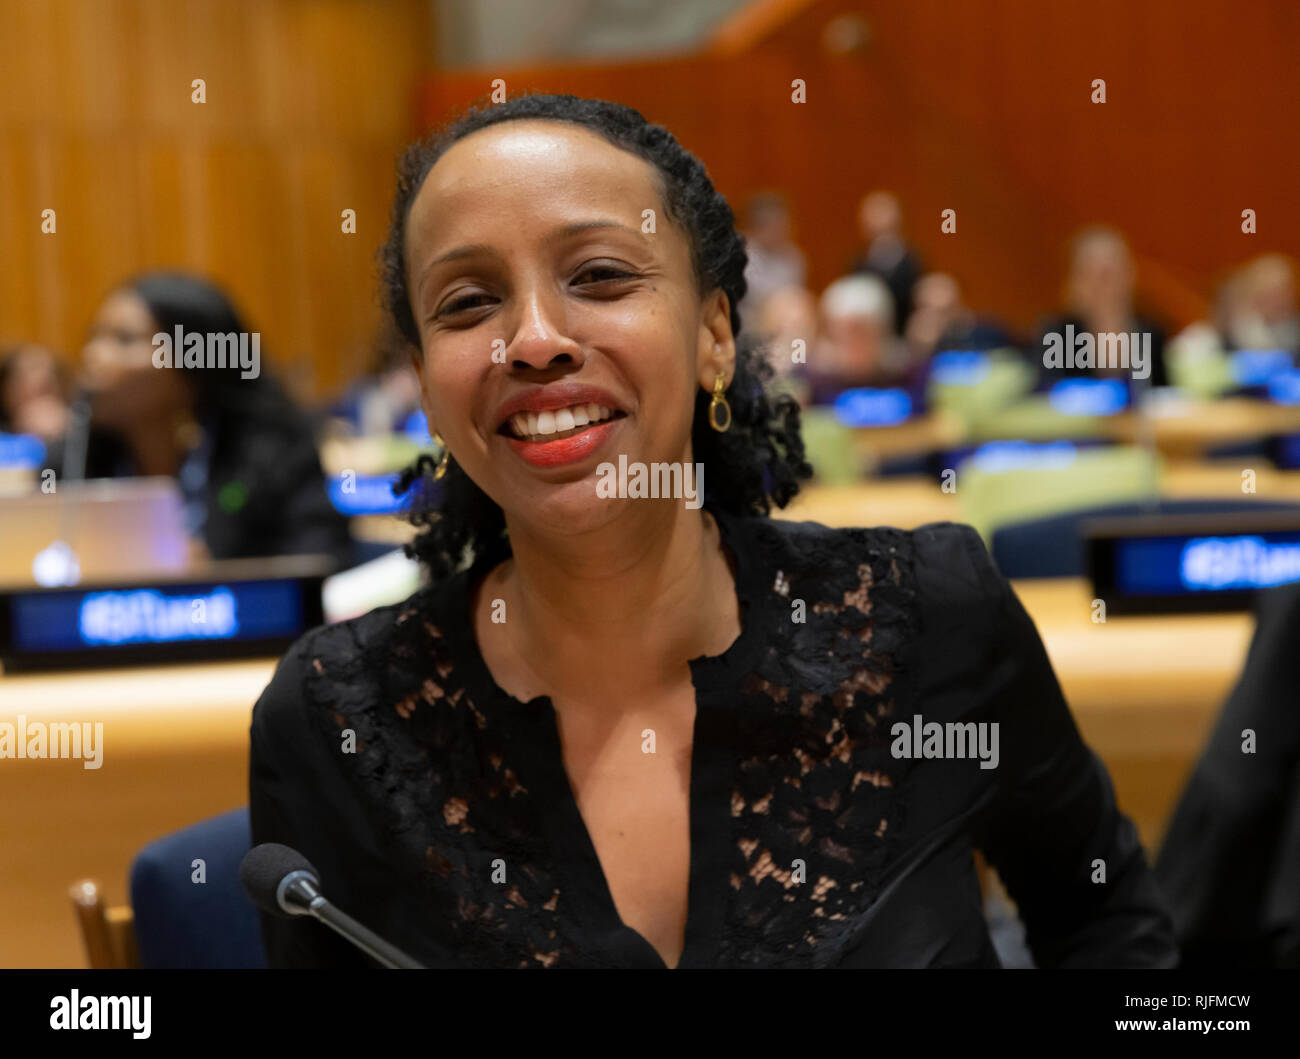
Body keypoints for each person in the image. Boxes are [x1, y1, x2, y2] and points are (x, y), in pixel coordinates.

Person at [249, 93, 1177, 969]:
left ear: (715, 336)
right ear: (424, 380)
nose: (532, 339)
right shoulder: (334, 720)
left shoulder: (934, 614)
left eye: (600, 275)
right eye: (466, 302)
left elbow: (1110, 925)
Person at [66, 271, 351, 567]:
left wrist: (214, 577)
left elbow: (322, 565)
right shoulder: (71, 462)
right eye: (94, 336)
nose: (93, 355)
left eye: (124, 340)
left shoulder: (275, 451)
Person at [1034, 226, 1170, 389]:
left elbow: (1164, 396)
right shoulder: (1056, 334)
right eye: (1091, 273)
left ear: (1130, 274)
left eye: (1109, 273)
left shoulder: (1151, 333)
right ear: (1074, 281)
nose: (1102, 285)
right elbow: (1046, 394)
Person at [847, 190, 923, 336]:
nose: (879, 219)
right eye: (873, 213)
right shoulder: (858, 263)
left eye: (883, 212)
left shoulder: (913, 261)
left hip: (904, 337)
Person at [736, 192, 806, 329]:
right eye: (776, 226)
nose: (783, 231)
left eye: (785, 225)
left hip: (786, 316)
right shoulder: (741, 256)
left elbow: (794, 293)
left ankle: (797, 350)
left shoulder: (793, 256)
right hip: (749, 319)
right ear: (759, 228)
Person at [0, 343, 70, 441]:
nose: (46, 375)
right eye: (34, 368)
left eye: (52, 370)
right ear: (7, 388)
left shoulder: (78, 424)